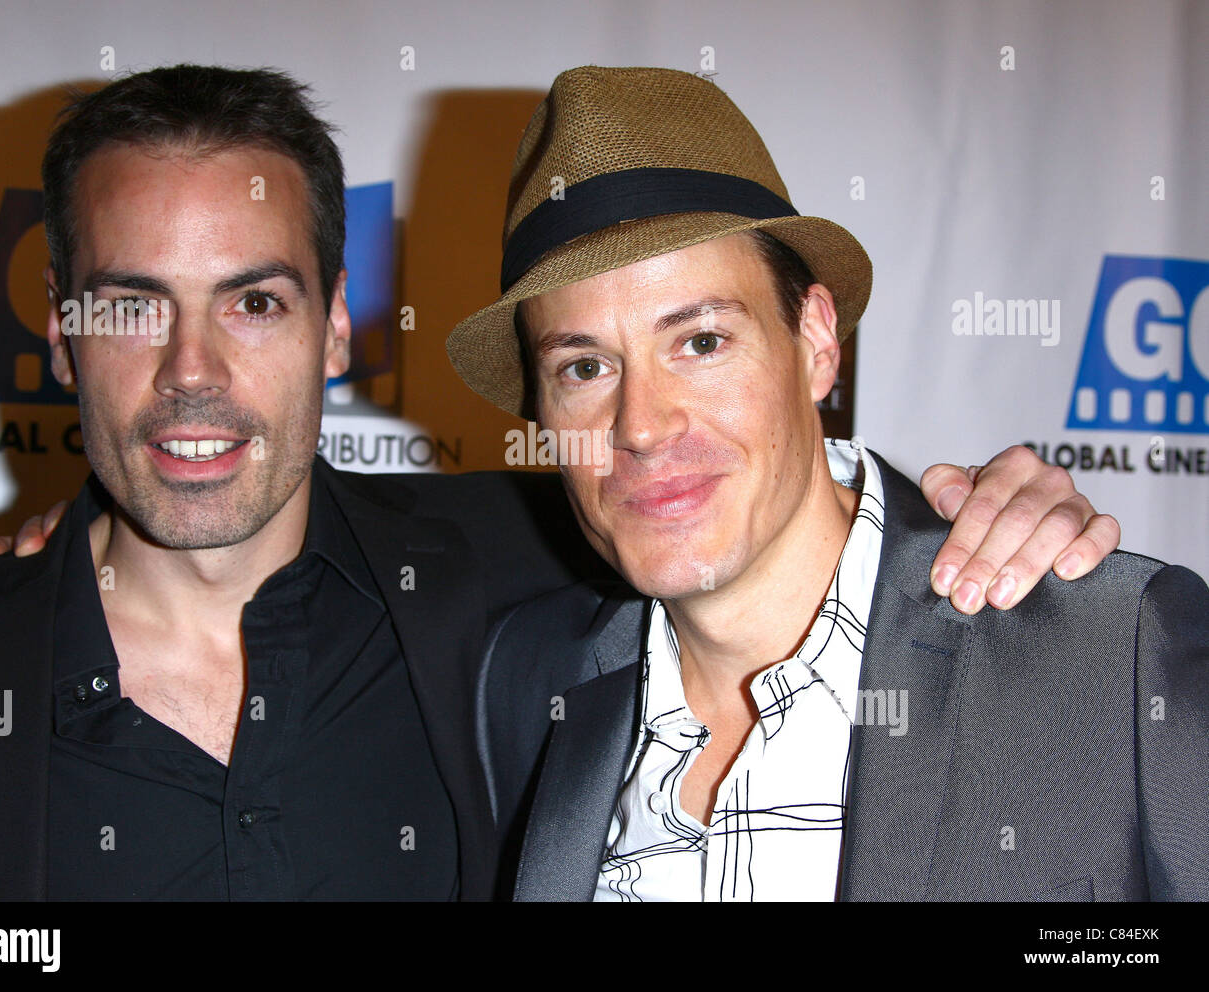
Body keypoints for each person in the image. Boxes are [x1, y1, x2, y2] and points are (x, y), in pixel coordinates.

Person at [0, 64, 1117, 902]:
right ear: (62, 336)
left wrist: (983, 516)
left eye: (253, 300)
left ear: (337, 326)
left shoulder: (516, 582)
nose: (193, 373)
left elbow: (750, 514)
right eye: (134, 306)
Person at [457, 66, 1209, 901]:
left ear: (816, 341)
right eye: (586, 366)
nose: (640, 425)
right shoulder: (526, 686)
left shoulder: (1114, 652)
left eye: (701, 342)